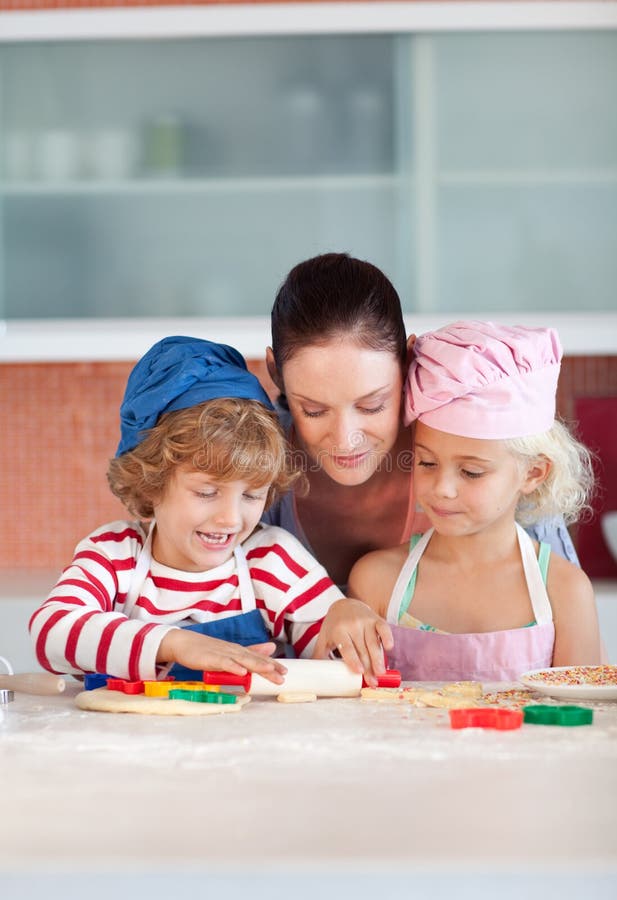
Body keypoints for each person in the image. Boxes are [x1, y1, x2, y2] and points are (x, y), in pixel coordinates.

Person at [29, 336, 391, 685]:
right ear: (151, 481)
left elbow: (333, 656)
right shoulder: (115, 555)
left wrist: (346, 623)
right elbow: (51, 631)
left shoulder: (270, 560)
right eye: (206, 492)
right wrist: (174, 643)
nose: (231, 519)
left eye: (251, 495)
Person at [263, 252, 580, 589]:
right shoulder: (256, 464)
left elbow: (560, 604)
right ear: (276, 373)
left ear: (409, 358)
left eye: (372, 405)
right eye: (314, 410)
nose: (345, 439)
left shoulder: (478, 447)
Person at [347, 320, 601, 681]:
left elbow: (583, 723)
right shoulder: (377, 581)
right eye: (427, 463)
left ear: (533, 474)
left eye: (471, 472)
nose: (442, 488)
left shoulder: (564, 592)